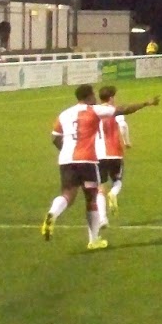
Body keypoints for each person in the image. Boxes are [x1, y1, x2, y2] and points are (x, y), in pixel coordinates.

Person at [41, 84, 108, 249]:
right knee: (91, 199)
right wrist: (146, 104)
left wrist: (65, 149)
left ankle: (52, 213)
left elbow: (55, 137)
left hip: (66, 160)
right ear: (88, 96)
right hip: (87, 161)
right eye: (93, 94)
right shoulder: (93, 110)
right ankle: (93, 241)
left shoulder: (64, 113)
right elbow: (122, 110)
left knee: (67, 195)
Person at [94, 86, 160, 218]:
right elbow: (124, 122)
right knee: (117, 181)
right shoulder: (113, 111)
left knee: (100, 186)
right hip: (114, 153)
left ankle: (102, 218)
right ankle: (113, 193)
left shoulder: (93, 111)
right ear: (111, 98)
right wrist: (146, 103)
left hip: (98, 155)